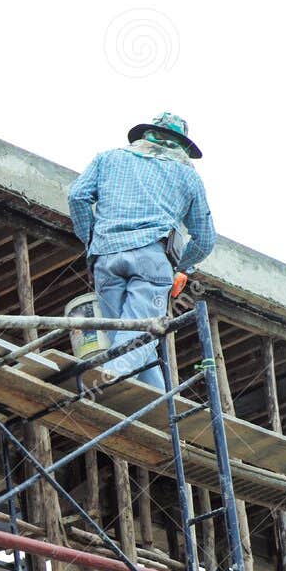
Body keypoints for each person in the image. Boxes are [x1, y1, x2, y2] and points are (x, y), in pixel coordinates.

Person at [67, 112, 215, 389]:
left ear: (146, 137)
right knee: (140, 334)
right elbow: (205, 240)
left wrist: (91, 241)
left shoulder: (108, 158)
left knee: (129, 338)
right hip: (152, 259)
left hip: (106, 257)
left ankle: (160, 411)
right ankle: (110, 378)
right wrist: (180, 267)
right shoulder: (187, 176)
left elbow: (77, 197)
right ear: (181, 146)